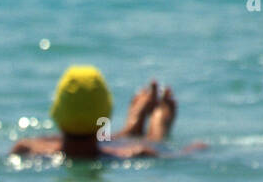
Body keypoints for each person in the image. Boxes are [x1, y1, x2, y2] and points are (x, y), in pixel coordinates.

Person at [9, 66, 183, 160]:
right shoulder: (140, 153)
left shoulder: (25, 149)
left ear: (56, 111)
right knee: (153, 142)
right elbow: (183, 155)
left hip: (68, 147)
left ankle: (132, 128)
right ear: (106, 113)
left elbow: (73, 140)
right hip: (105, 151)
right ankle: (155, 128)